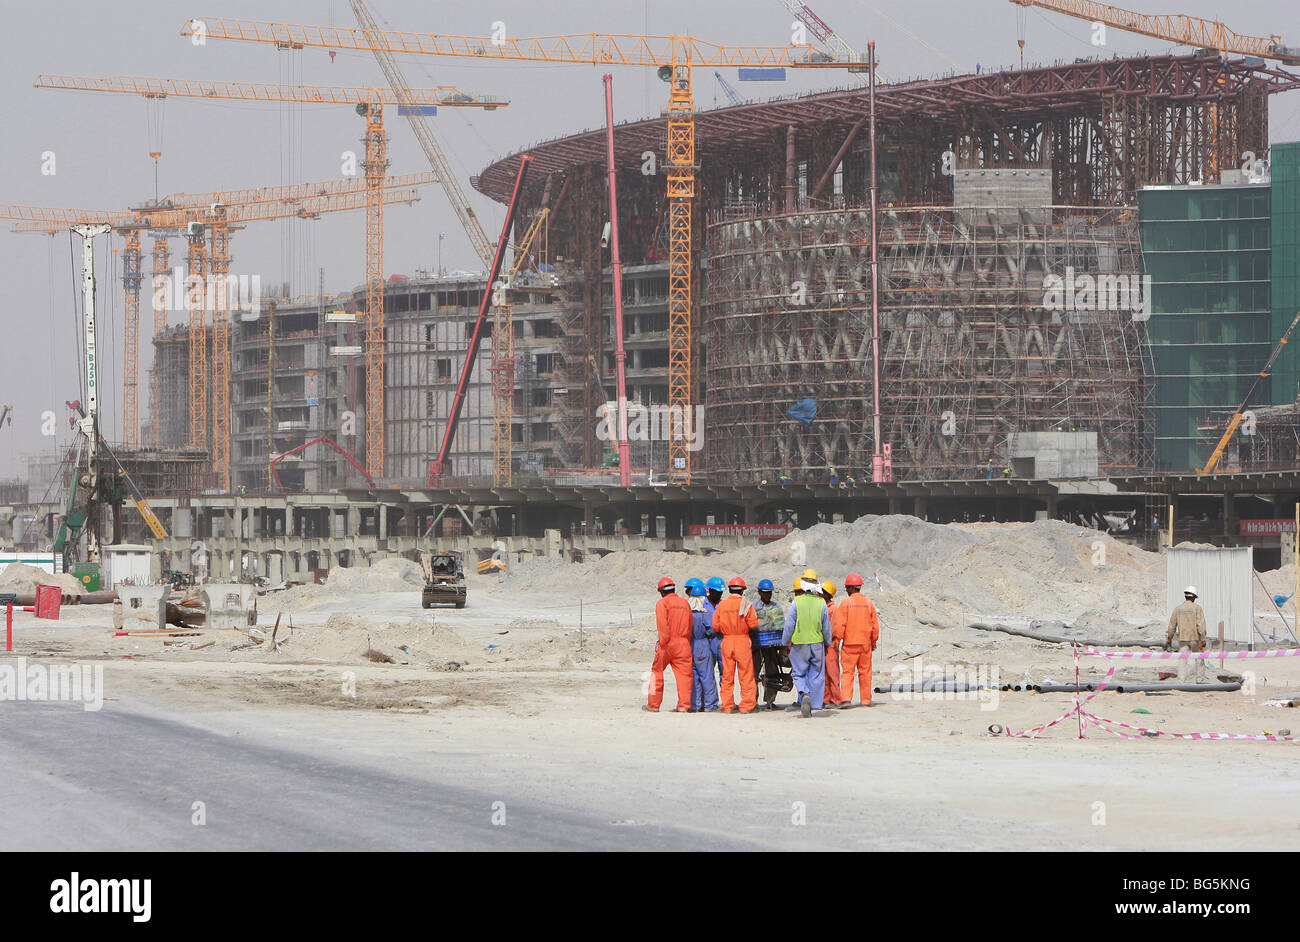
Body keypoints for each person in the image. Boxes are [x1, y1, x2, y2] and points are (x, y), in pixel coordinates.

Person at [782, 574, 833, 717]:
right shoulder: (821, 603)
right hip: (817, 644)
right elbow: (826, 627)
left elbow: (789, 625)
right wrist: (827, 642)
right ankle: (815, 704)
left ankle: (803, 692)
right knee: (816, 674)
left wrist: (785, 643)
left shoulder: (796, 602)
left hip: (799, 644)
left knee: (798, 673)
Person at [645, 577, 692, 713]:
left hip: (667, 644)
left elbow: (662, 626)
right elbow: (689, 626)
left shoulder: (661, 603)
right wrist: (685, 641)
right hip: (683, 643)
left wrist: (662, 643)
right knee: (684, 676)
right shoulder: (685, 603)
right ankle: (683, 706)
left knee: (656, 673)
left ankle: (653, 705)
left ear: (661, 591)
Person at [835, 572, 880, 707]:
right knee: (865, 673)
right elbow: (875, 626)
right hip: (865, 645)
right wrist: (873, 641)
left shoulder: (846, 603)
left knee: (848, 672)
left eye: (847, 588)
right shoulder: (869, 603)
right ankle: (866, 700)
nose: (847, 591)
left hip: (850, 645)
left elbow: (839, 624)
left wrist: (837, 639)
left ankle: (846, 699)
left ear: (851, 588)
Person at [715, 577, 759, 713]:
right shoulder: (746, 604)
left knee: (727, 676)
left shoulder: (722, 605)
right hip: (742, 642)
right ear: (743, 590)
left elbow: (715, 626)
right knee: (746, 676)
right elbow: (753, 624)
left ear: (729, 589)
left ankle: (727, 706)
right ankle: (746, 706)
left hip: (727, 642)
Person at [751, 578, 787, 710]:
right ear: (760, 592)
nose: (768, 595)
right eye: (765, 592)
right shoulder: (753, 607)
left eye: (769, 592)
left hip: (772, 644)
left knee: (772, 672)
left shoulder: (776, 607)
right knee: (753, 673)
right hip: (756, 643)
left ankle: (770, 700)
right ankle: (752, 700)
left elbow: (780, 624)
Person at [688, 583, 720, 712]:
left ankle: (695, 705)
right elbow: (712, 630)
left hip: (690, 645)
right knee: (707, 676)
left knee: (694, 677)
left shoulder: (688, 614)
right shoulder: (704, 614)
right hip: (703, 645)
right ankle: (710, 705)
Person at [1167, 585, 1208, 683]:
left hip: (1183, 639)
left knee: (1182, 660)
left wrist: (1169, 639)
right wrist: (1203, 639)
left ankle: (1181, 680)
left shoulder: (1178, 609)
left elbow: (1172, 626)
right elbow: (1200, 625)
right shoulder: (1197, 608)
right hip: (1195, 639)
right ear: (1193, 597)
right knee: (1199, 658)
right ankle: (1199, 679)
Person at [821, 580, 843, 708]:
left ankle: (836, 700)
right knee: (824, 674)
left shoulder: (833, 609)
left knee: (832, 673)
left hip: (831, 644)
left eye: (822, 593)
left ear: (827, 594)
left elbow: (835, 627)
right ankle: (826, 699)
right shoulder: (824, 608)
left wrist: (835, 641)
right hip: (824, 644)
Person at [705, 576, 726, 690]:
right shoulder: (703, 604)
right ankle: (709, 702)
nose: (719, 595)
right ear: (710, 591)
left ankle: (727, 702)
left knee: (725, 673)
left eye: (720, 593)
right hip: (707, 641)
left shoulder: (724, 604)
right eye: (717, 592)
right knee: (708, 673)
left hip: (722, 641)